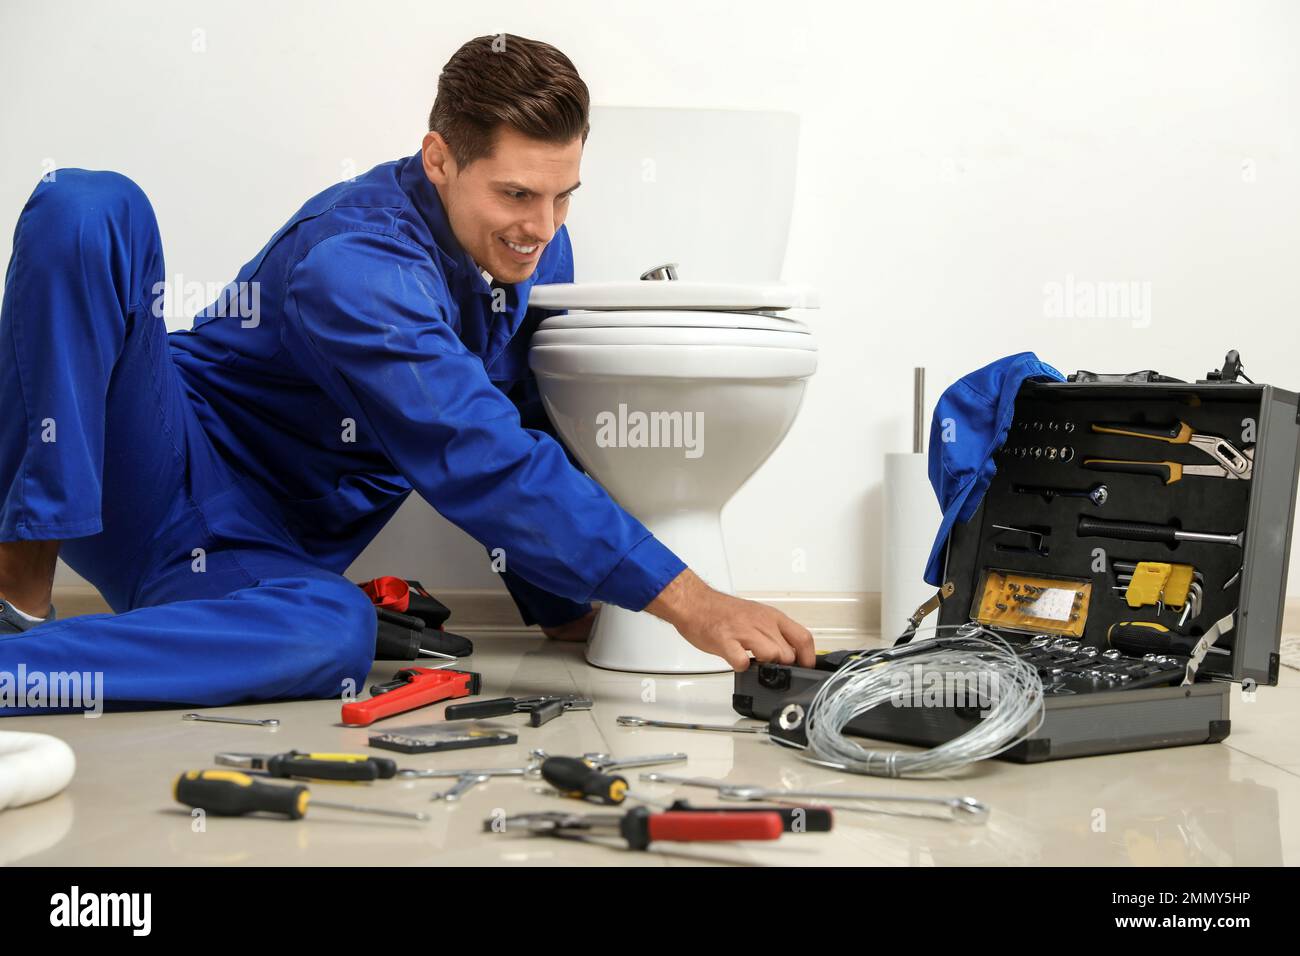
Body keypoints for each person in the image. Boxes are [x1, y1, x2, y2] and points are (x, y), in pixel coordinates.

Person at [0, 33, 813, 715]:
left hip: (256, 550)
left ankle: (26, 671)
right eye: (519, 193)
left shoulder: (527, 245)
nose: (542, 227)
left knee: (333, 633)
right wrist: (689, 599)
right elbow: (473, 446)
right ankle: (16, 582)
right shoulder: (353, 265)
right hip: (156, 464)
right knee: (87, 204)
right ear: (439, 160)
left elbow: (523, 410)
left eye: (565, 196)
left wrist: (564, 608)